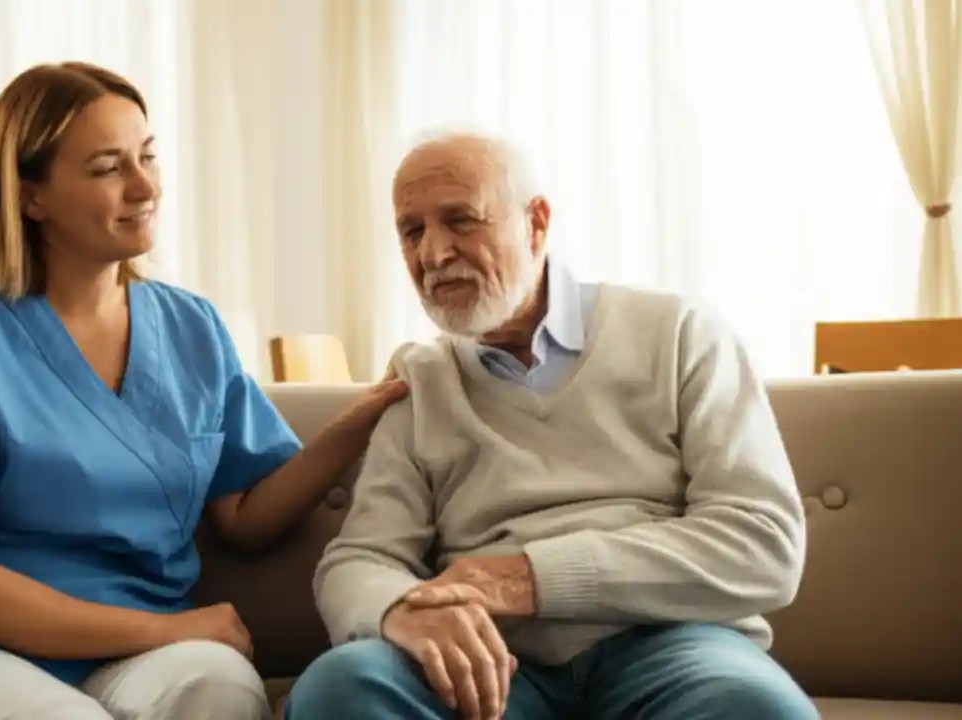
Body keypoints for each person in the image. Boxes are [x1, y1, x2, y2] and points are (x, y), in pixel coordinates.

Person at [0, 62, 407, 720]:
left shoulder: (191, 326)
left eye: (148, 156)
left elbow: (245, 519)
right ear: (31, 197)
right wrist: (167, 630)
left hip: (135, 656)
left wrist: (364, 415)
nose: (145, 186)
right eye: (108, 168)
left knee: (218, 687)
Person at [285, 132, 817, 720]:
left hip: (675, 647)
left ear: (535, 223)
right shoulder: (419, 381)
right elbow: (357, 560)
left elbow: (762, 542)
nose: (433, 254)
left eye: (460, 220)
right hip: (493, 668)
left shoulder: (679, 333)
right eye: (412, 231)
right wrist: (400, 608)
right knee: (339, 690)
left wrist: (523, 578)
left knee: (754, 708)